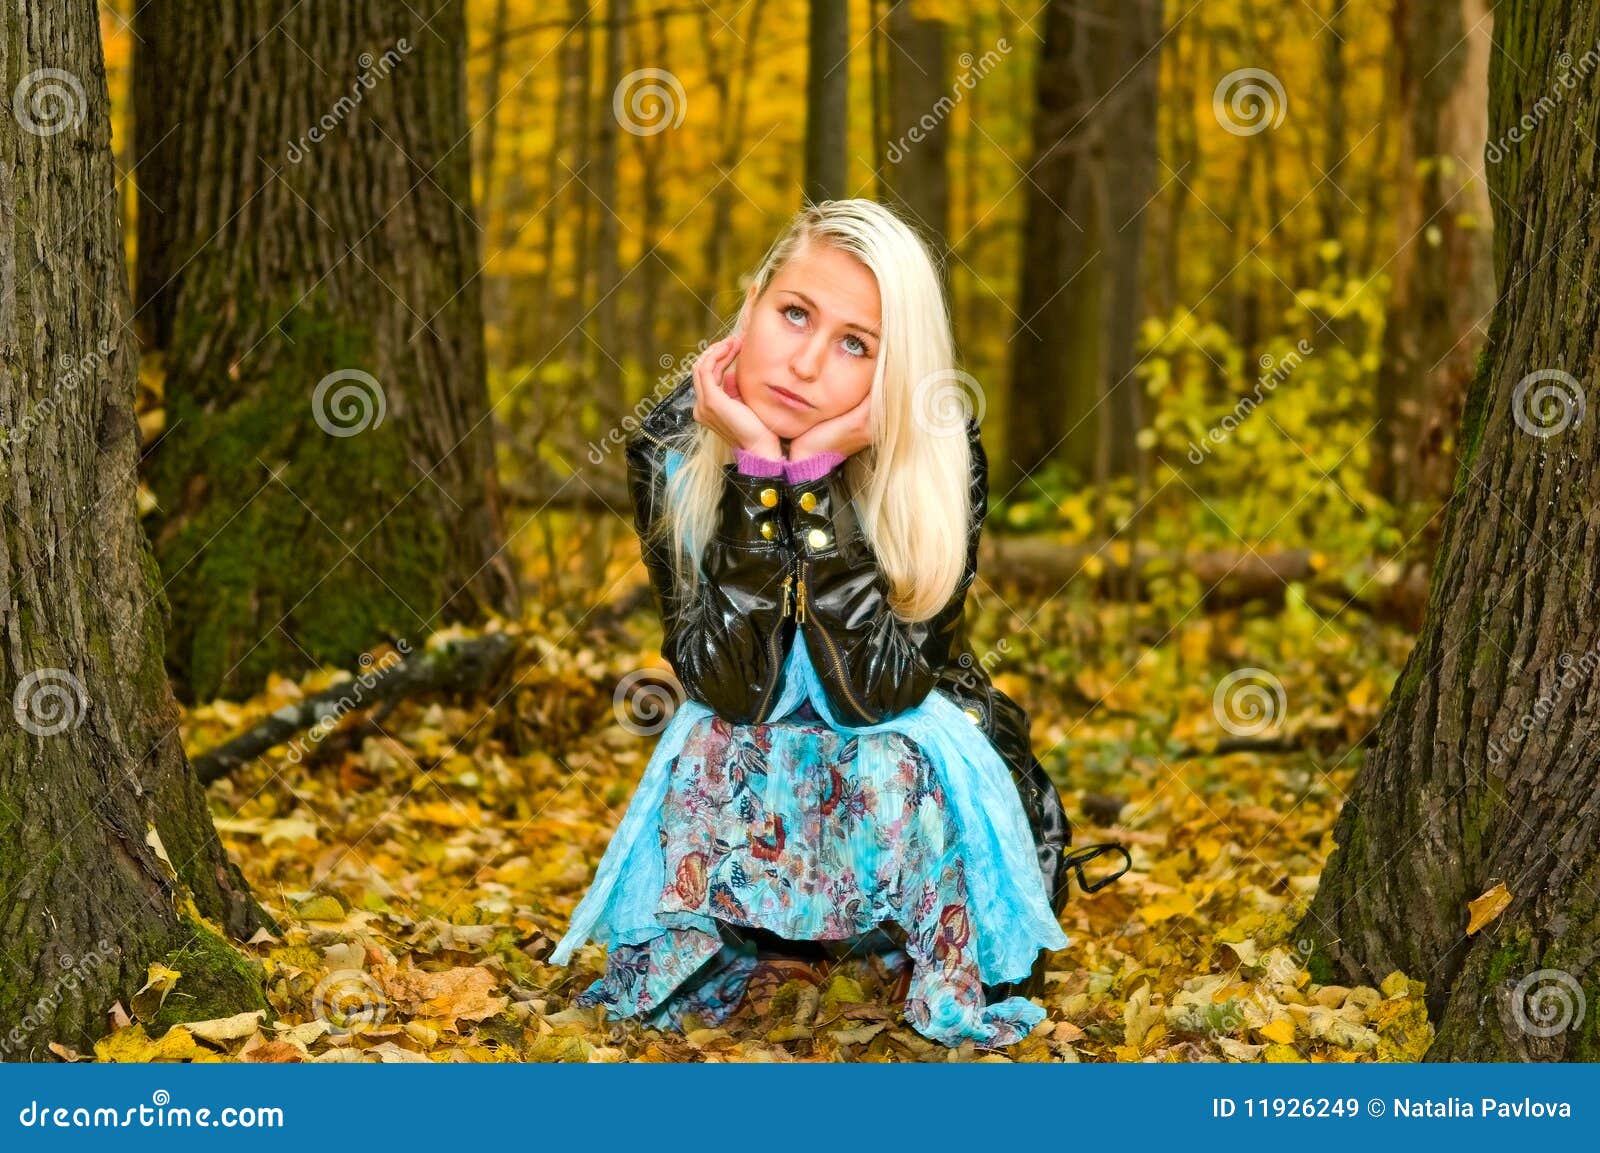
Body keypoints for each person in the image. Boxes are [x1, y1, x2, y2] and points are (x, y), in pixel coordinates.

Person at [548, 198, 1128, 1049]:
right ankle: (768, 943)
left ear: (893, 372)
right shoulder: (672, 444)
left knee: (888, 752)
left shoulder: (937, 450)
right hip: (762, 769)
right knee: (710, 742)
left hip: (905, 763)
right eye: (794, 315)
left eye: (856, 343)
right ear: (750, 304)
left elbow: (880, 694)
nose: (807, 364)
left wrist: (812, 487)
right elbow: (727, 685)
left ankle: (894, 946)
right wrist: (755, 475)